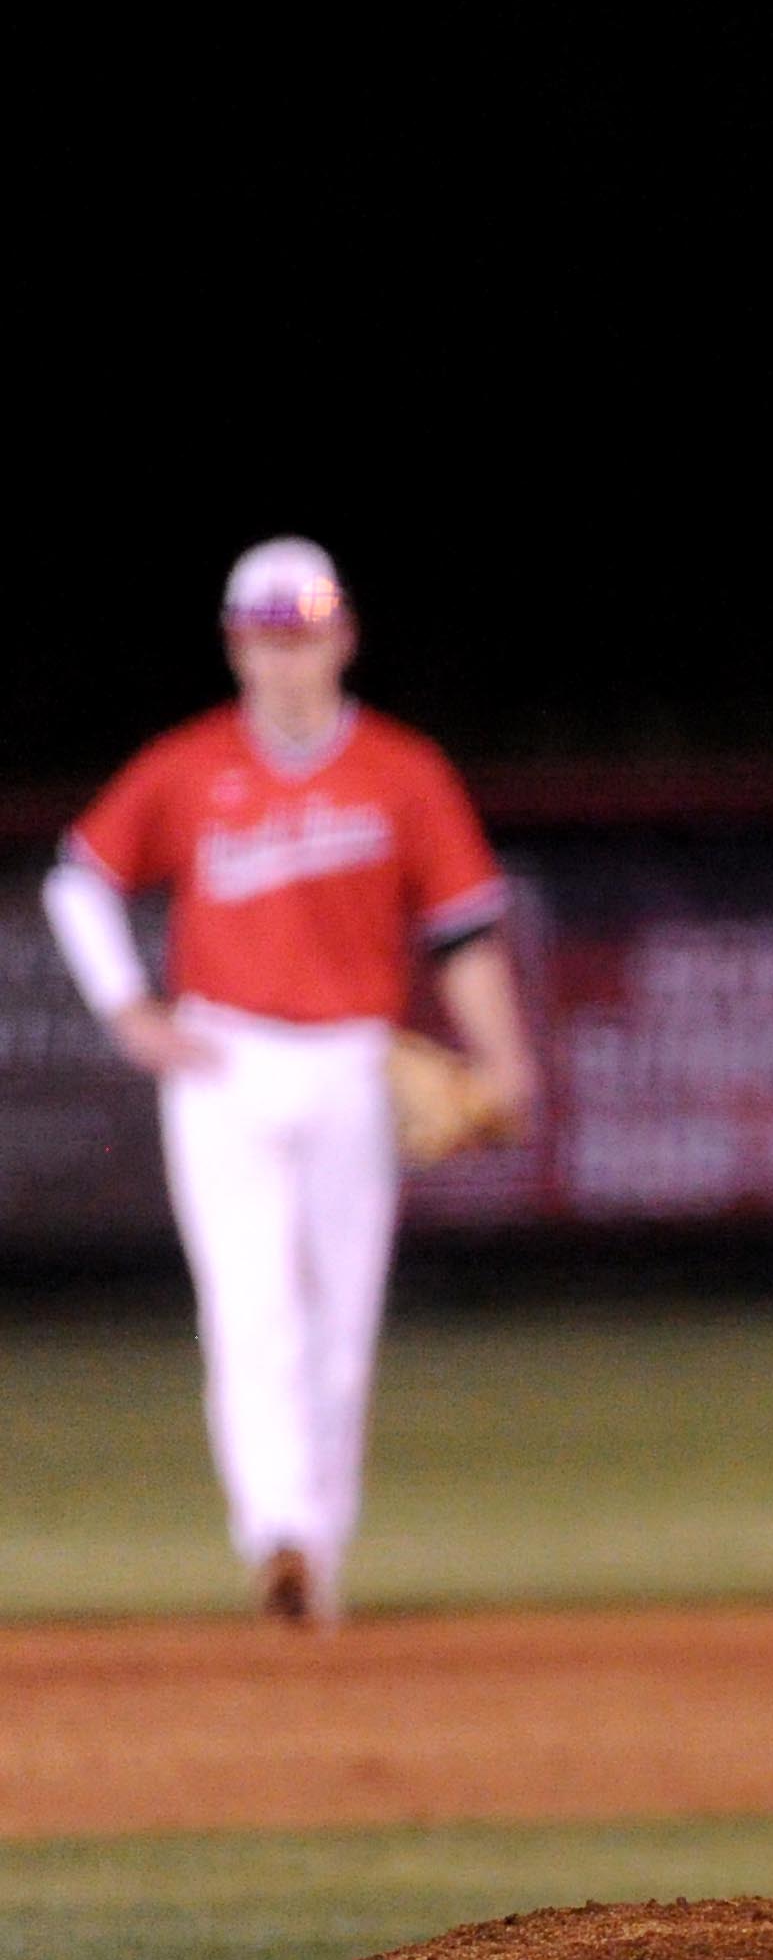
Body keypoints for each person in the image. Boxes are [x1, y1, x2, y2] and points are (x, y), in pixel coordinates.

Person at [42, 537, 535, 1627]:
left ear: (343, 637)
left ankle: (318, 1545)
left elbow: (464, 929)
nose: (286, 658)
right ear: (235, 648)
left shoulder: (403, 771)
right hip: (224, 1062)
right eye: (267, 639)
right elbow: (78, 882)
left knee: (338, 1319)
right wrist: (128, 1008)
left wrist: (504, 1055)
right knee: (249, 1308)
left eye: (303, 635)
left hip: (355, 1061)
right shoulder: (188, 765)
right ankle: (280, 1535)